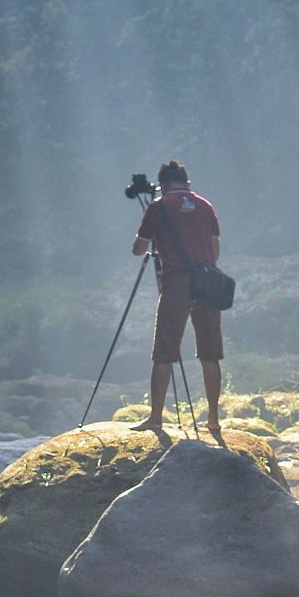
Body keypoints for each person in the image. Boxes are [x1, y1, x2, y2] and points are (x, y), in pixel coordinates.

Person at [133, 161, 223, 435]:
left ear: (162, 185)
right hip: (207, 283)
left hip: (176, 283)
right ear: (187, 183)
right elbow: (215, 251)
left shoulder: (158, 207)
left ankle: (156, 418)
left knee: (164, 353)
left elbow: (139, 249)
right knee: (210, 353)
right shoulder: (205, 205)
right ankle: (213, 419)